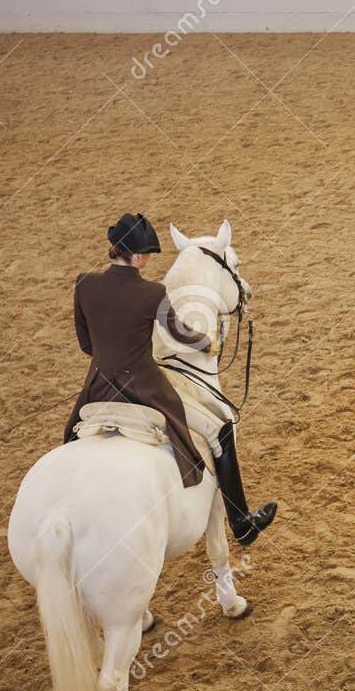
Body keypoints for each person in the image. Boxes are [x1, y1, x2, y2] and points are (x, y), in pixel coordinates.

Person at [64, 213, 276, 545]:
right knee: (218, 429)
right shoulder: (152, 292)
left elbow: (86, 344)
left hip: (97, 386)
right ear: (136, 256)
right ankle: (242, 522)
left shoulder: (84, 284)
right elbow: (177, 330)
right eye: (147, 254)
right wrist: (209, 342)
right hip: (144, 387)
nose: (149, 260)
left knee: (69, 438)